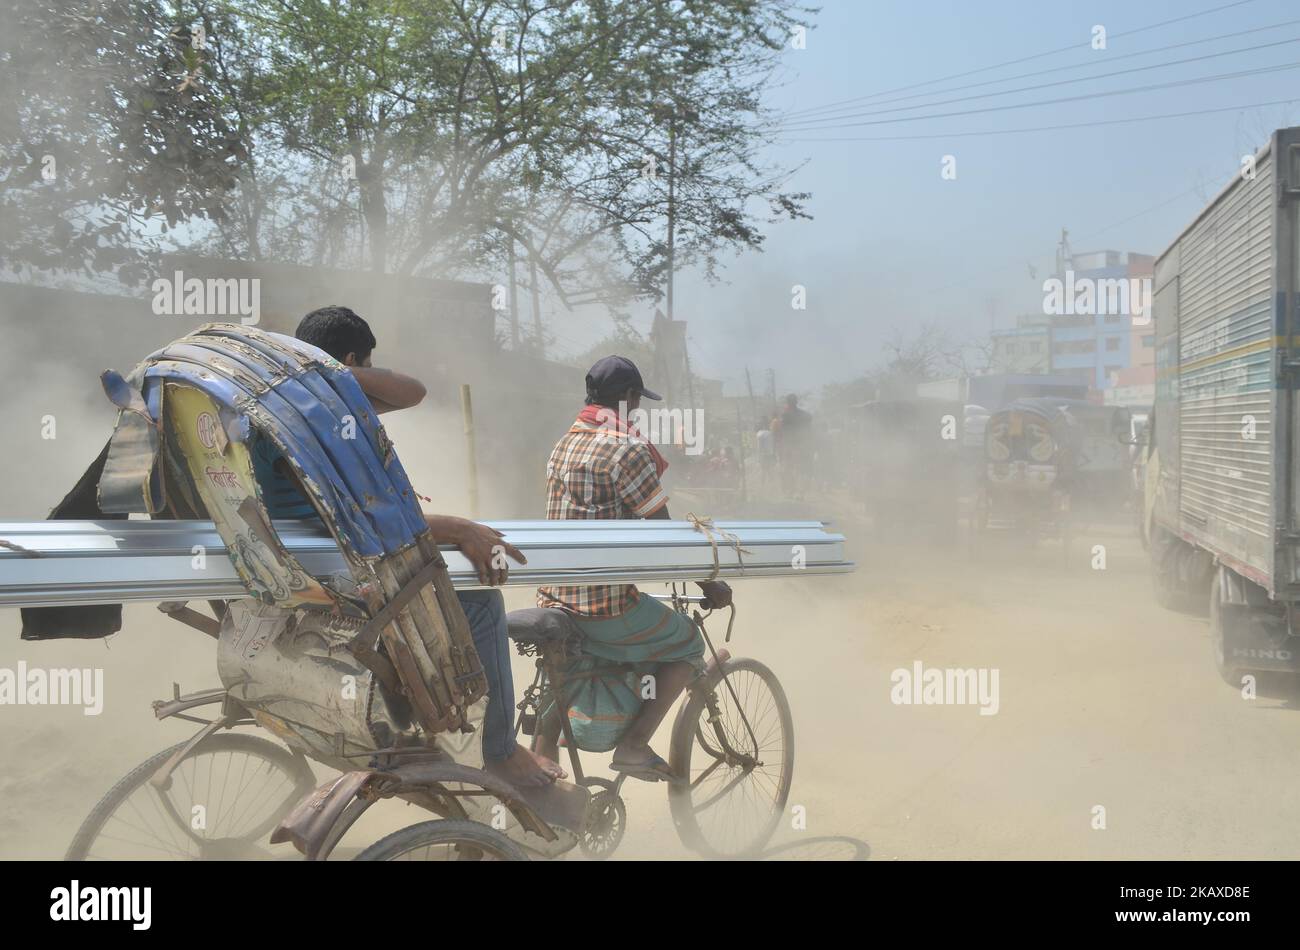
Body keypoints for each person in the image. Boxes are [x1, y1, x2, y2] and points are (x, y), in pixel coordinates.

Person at [258, 305, 564, 788]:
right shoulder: (314, 415)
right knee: (483, 603)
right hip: (341, 580)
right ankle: (500, 750)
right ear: (354, 360)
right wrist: (461, 529)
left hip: (300, 570)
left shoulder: (275, 411)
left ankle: (421, 708)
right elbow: (362, 515)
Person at [535, 355, 732, 782]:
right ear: (627, 397)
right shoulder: (627, 449)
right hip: (604, 606)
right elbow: (662, 537)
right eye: (637, 401)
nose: (638, 409)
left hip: (552, 598)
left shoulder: (563, 442)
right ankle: (634, 746)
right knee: (687, 643)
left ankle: (542, 752)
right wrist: (708, 581)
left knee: (567, 662)